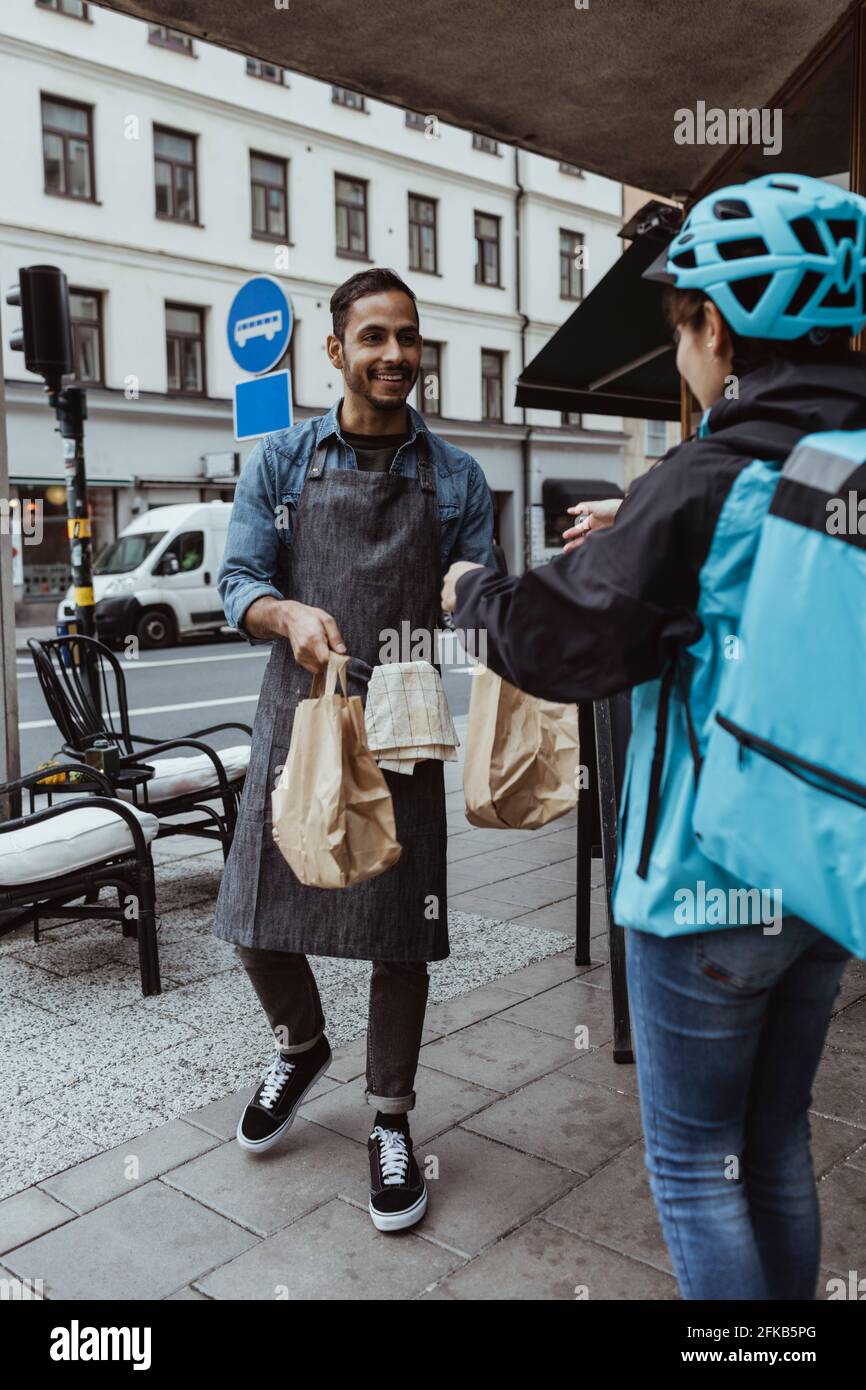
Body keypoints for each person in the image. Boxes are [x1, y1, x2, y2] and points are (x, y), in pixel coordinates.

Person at [442, 173, 866, 1298]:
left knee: (694, 1163)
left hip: (705, 879)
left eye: (681, 329)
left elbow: (556, 640)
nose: (683, 353)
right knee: (774, 1141)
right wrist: (639, 516)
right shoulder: (835, 458)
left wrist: (473, 591)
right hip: (825, 862)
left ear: (715, 329)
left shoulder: (709, 476)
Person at [215, 267, 495, 1232]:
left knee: (399, 932)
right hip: (300, 715)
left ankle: (390, 1118)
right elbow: (237, 580)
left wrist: (473, 591)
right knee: (254, 914)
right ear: (336, 350)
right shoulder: (282, 462)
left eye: (407, 337)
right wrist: (285, 612)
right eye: (374, 337)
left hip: (402, 724)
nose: (394, 354)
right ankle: (300, 1045)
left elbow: (479, 593)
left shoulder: (455, 476)